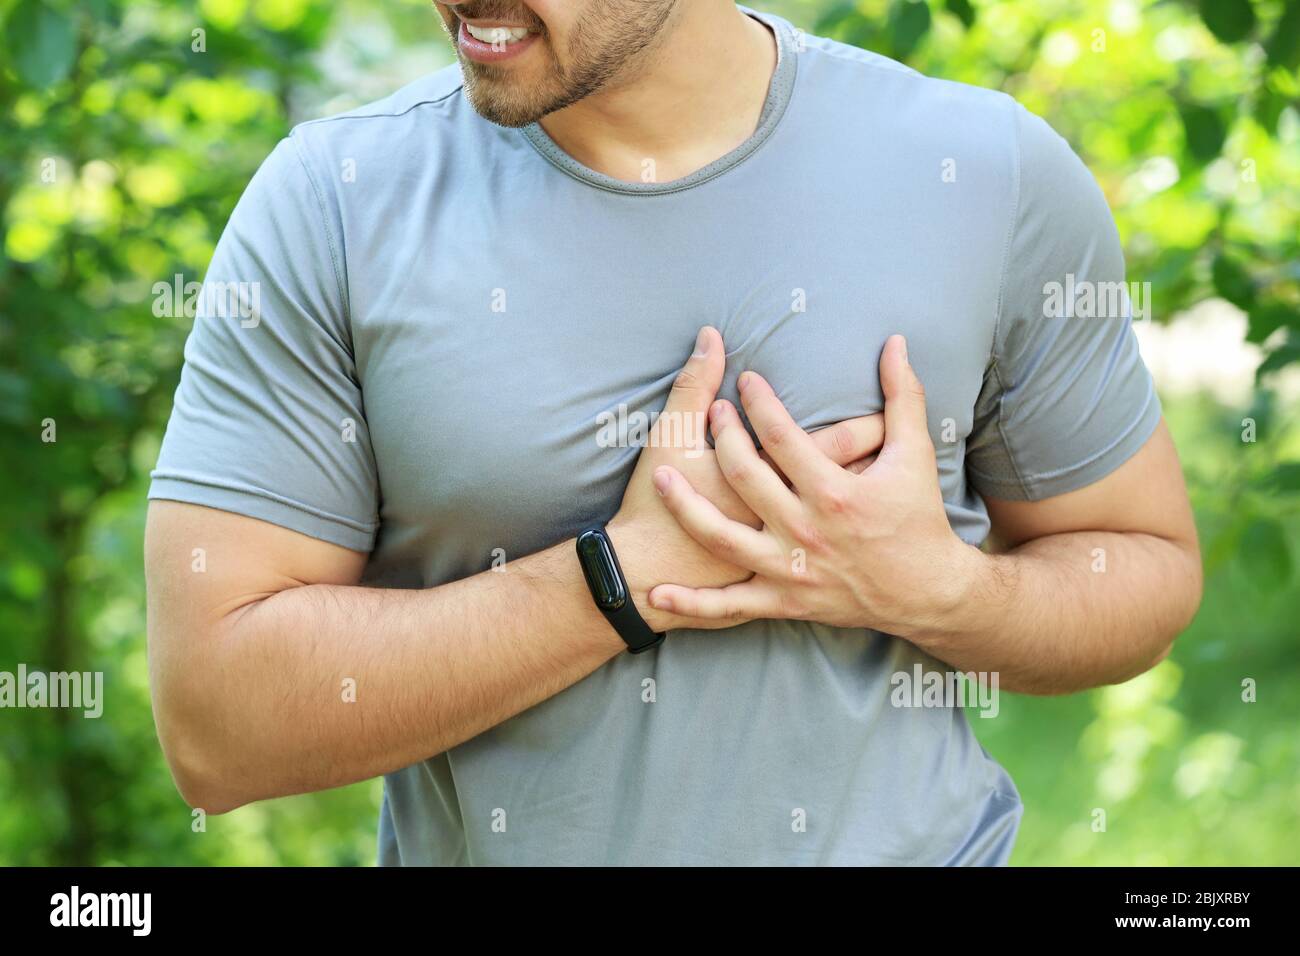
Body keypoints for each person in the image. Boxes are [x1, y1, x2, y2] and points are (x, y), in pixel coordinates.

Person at [144, 1, 1202, 865]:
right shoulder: (333, 205)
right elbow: (215, 727)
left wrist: (941, 591)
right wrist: (618, 580)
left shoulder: (983, 173)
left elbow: (1142, 569)